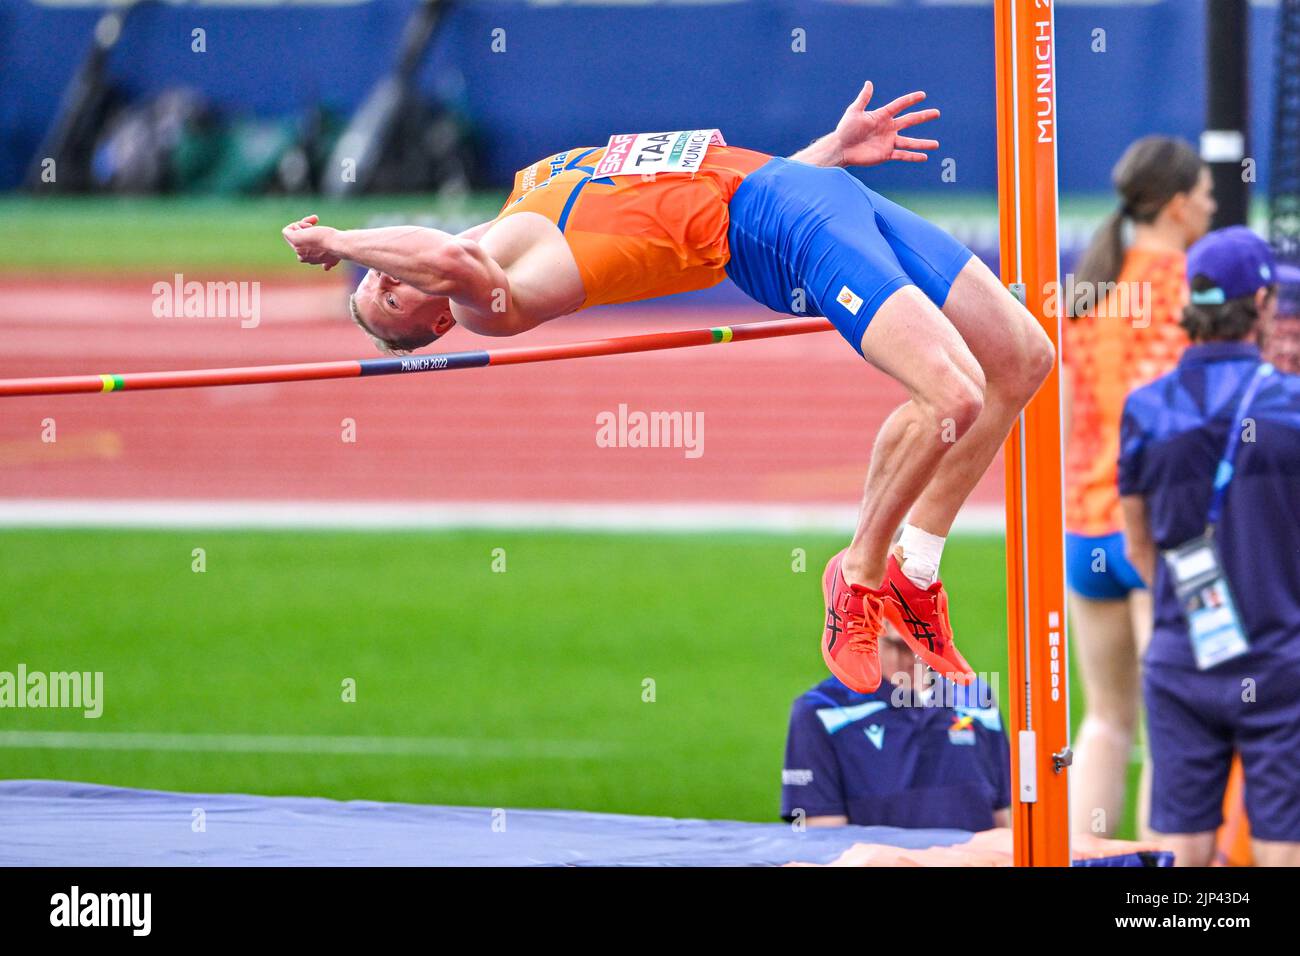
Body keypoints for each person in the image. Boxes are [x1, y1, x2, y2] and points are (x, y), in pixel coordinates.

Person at [282, 81, 1054, 693]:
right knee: (951, 395)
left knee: (1023, 358)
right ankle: (858, 578)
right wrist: (339, 242)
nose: (383, 273)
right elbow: (446, 262)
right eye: (383, 294)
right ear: (438, 325)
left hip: (798, 187)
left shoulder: (528, 189)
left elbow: (693, 186)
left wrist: (829, 149)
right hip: (780, 224)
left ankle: (915, 574)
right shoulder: (489, 300)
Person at [1119, 226, 1300, 867]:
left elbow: (1137, 544)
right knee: (1284, 843)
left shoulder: (1145, 409)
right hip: (1282, 657)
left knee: (1182, 849)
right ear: (1261, 306)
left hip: (1181, 655)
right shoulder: (1289, 405)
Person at [1062, 136, 1214, 837]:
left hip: (1085, 526)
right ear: (1179, 206)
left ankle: (1082, 855)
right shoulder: (1190, 290)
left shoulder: (1090, 291)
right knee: (1173, 727)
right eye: (1208, 195)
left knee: (1104, 720)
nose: (1214, 206)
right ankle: (1159, 890)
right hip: (1161, 528)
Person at [780, 620, 1010, 831]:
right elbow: (827, 845)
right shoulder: (821, 710)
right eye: (884, 588)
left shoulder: (976, 697)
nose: (897, 601)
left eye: (909, 584)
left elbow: (1001, 824)